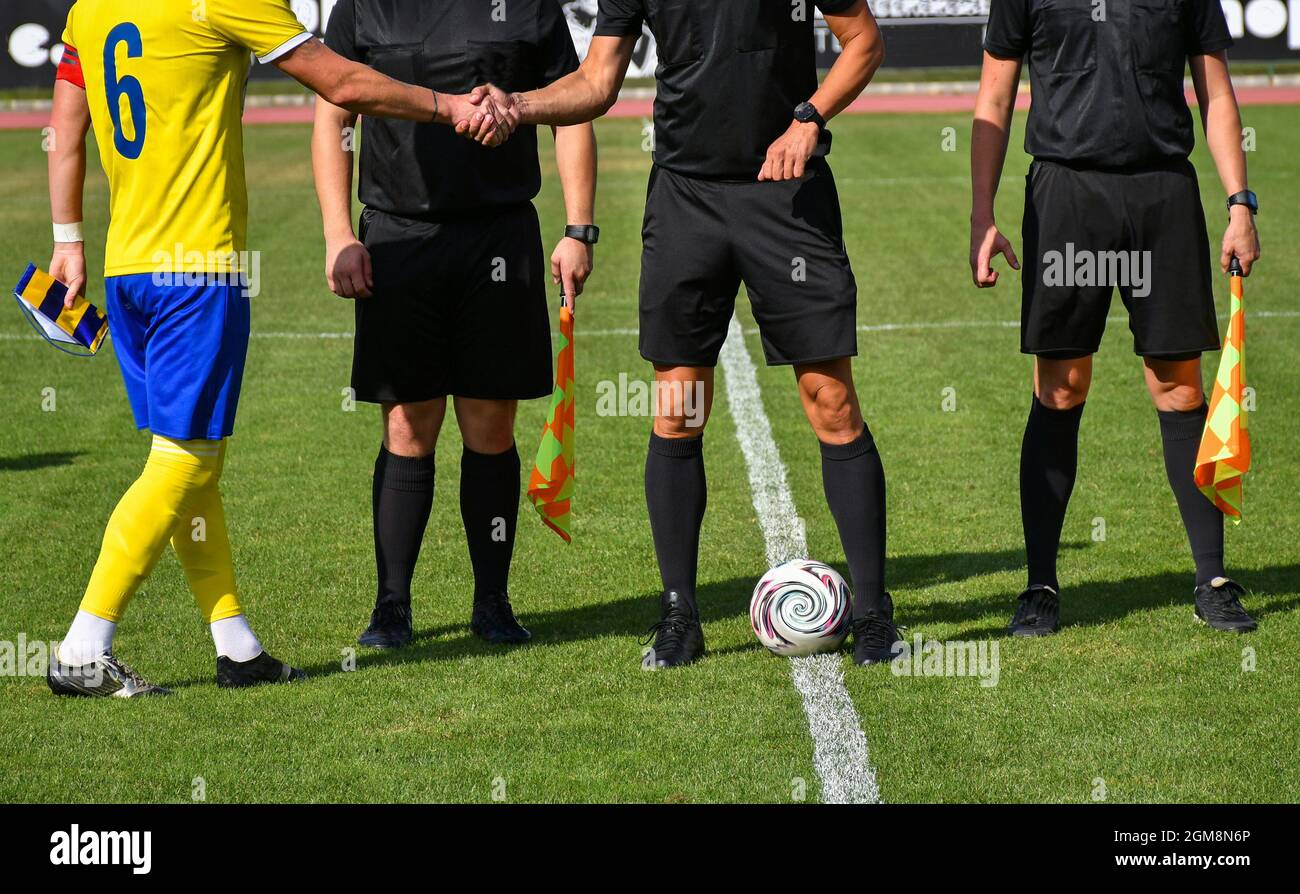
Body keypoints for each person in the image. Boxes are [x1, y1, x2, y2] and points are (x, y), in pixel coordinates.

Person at [46, 0, 508, 697]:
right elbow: (343, 84)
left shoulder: (90, 7)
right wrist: (449, 107)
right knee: (181, 463)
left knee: (195, 463)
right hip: (196, 271)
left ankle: (236, 647)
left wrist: (66, 240)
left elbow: (64, 124)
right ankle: (85, 644)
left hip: (127, 268)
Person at [467, 1, 894, 668]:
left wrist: (809, 119)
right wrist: (518, 105)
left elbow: (863, 40)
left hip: (785, 196)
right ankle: (678, 615)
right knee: (678, 410)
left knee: (831, 403)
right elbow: (598, 80)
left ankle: (872, 616)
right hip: (685, 201)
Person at [969, 0, 1262, 636]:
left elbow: (1216, 93)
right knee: (1061, 387)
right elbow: (993, 102)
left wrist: (1240, 204)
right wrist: (981, 214)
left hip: (1163, 195)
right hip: (1067, 196)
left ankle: (1211, 579)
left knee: (1179, 385)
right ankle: (1041, 583)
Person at [312, 0, 597, 649]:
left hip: (499, 234)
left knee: (490, 423)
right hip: (398, 236)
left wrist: (578, 227)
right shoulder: (365, 5)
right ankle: (392, 606)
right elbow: (334, 115)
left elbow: (570, 107)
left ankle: (492, 602)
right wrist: (335, 233)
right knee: (408, 423)